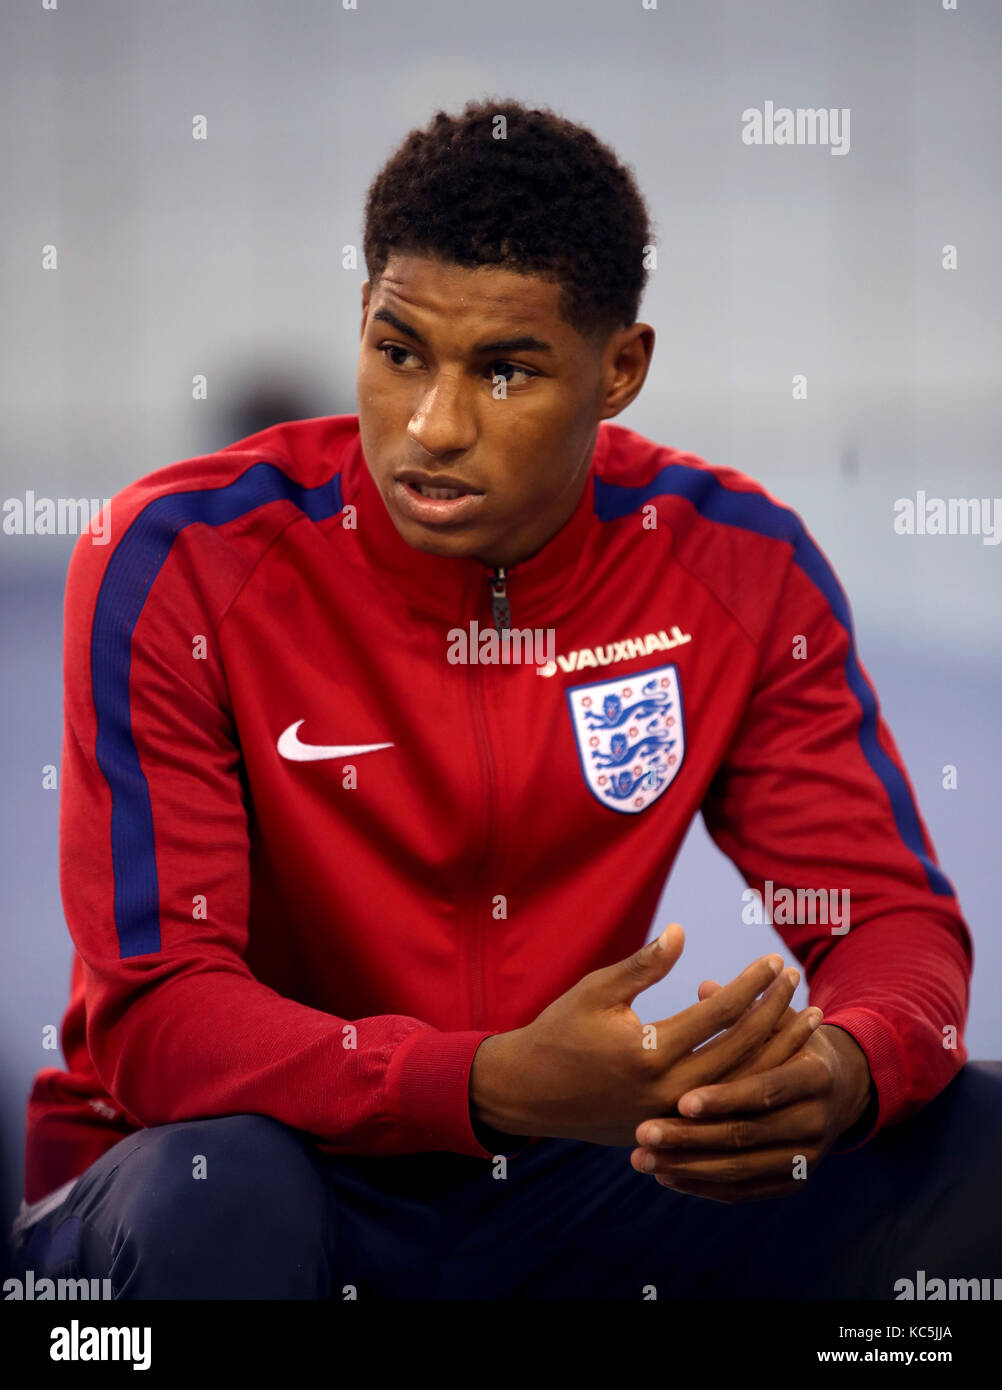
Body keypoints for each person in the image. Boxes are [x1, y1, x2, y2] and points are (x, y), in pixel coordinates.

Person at [8, 98, 998, 1301]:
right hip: (240, 1169)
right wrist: (481, 1081)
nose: (434, 425)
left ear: (620, 370)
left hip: (559, 1173)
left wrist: (837, 1070)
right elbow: (156, 1019)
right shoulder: (177, 558)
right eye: (399, 351)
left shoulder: (736, 564)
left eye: (507, 371)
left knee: (968, 1142)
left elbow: (890, 922)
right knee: (226, 1192)